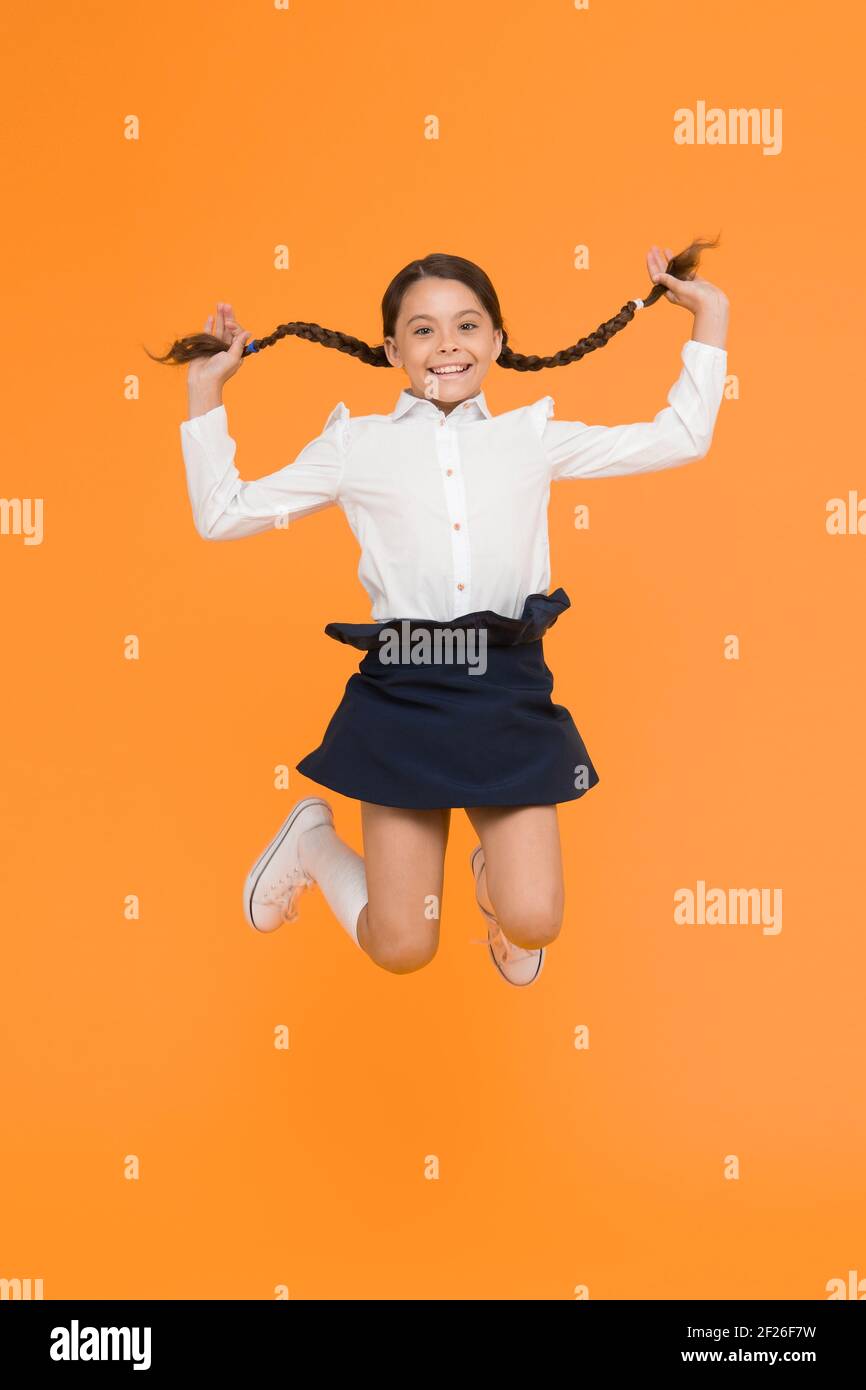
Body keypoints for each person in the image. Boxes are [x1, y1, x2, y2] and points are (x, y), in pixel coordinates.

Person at [161, 246, 729, 987]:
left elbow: (681, 436)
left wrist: (709, 319)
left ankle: (500, 890)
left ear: (497, 338)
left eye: (467, 324)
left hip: (506, 691)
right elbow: (223, 513)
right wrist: (206, 392)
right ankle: (308, 845)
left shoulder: (531, 435)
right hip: (406, 693)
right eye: (423, 330)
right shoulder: (355, 446)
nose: (448, 343)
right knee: (403, 947)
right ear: (393, 350)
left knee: (536, 918)